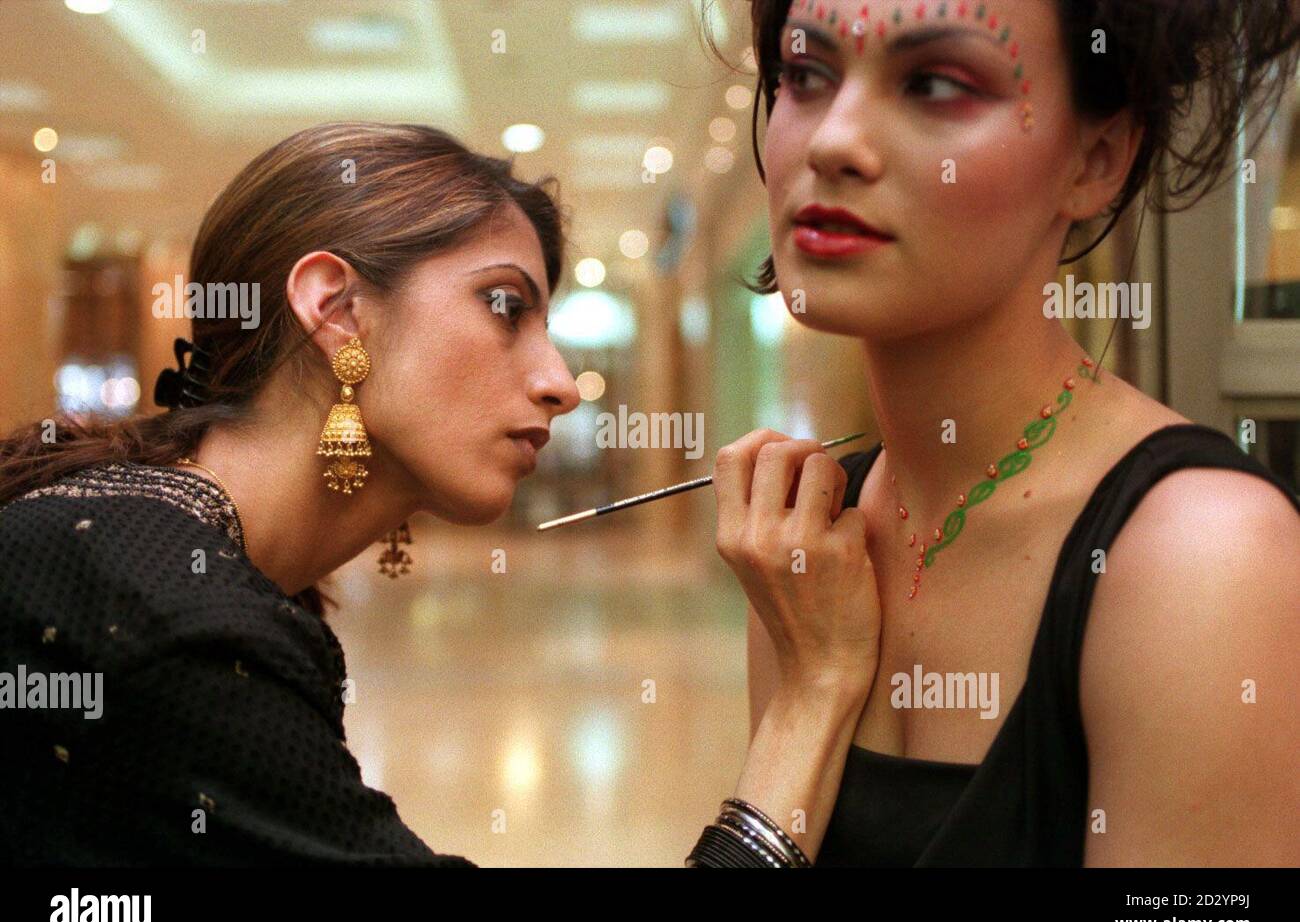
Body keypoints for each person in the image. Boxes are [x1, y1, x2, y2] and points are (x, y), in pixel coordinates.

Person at [0, 122, 805, 867]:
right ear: (338, 310)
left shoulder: (157, 542)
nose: (559, 382)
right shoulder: (175, 619)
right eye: (505, 307)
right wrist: (808, 702)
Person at [701, 0, 1300, 866]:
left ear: (1096, 158)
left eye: (936, 83)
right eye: (805, 74)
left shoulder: (1203, 559)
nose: (833, 140)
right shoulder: (812, 553)